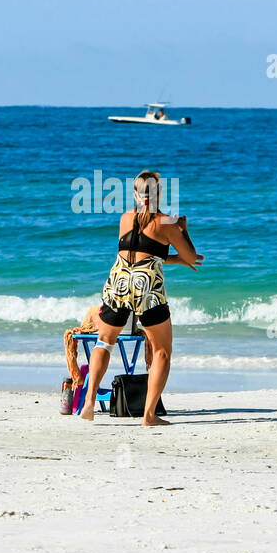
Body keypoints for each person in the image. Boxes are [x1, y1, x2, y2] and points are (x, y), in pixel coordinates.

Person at [81, 170, 202, 426]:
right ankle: (148, 415)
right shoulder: (166, 222)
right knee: (161, 351)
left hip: (118, 282)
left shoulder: (125, 218)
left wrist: (174, 259)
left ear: (135, 194)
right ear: (159, 194)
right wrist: (183, 231)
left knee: (104, 342)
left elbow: (141, 252)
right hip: (147, 287)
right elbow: (192, 256)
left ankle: (89, 402)